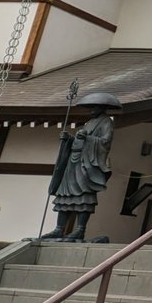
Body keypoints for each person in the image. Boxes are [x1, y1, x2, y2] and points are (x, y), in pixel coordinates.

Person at [40, 91, 119, 241]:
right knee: (65, 195)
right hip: (73, 161)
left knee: (84, 196)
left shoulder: (106, 121)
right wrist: (68, 139)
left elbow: (105, 141)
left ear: (102, 108)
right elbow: (78, 140)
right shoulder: (89, 123)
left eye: (94, 107)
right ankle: (59, 229)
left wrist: (88, 138)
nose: (91, 110)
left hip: (87, 162)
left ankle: (80, 229)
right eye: (90, 108)